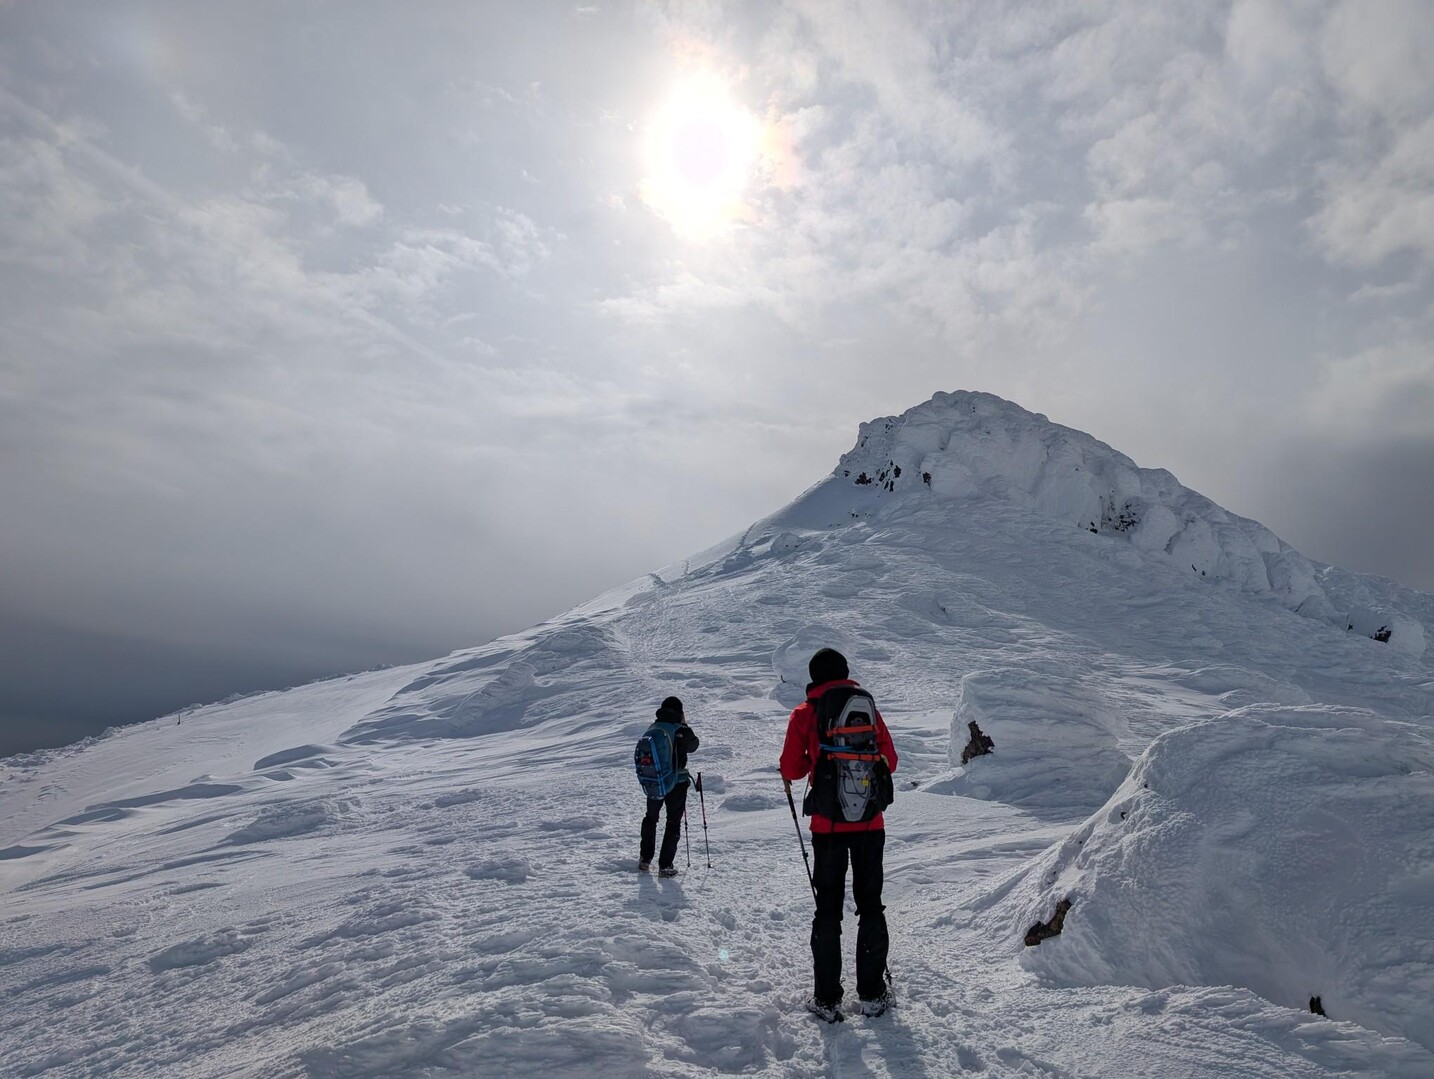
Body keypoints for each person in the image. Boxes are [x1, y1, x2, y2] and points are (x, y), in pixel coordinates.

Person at [780, 648, 898, 1022]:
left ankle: (827, 999)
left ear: (813, 677)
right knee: (871, 903)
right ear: (846, 673)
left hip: (827, 827)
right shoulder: (867, 707)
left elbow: (793, 768)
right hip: (870, 823)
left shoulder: (804, 713)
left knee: (828, 908)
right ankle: (873, 994)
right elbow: (889, 760)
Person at [640, 695, 699, 878]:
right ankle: (665, 865)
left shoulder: (653, 728)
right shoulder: (680, 728)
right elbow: (693, 745)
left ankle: (645, 858)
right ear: (680, 711)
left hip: (654, 781)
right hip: (676, 783)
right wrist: (684, 725)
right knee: (673, 822)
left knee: (651, 818)